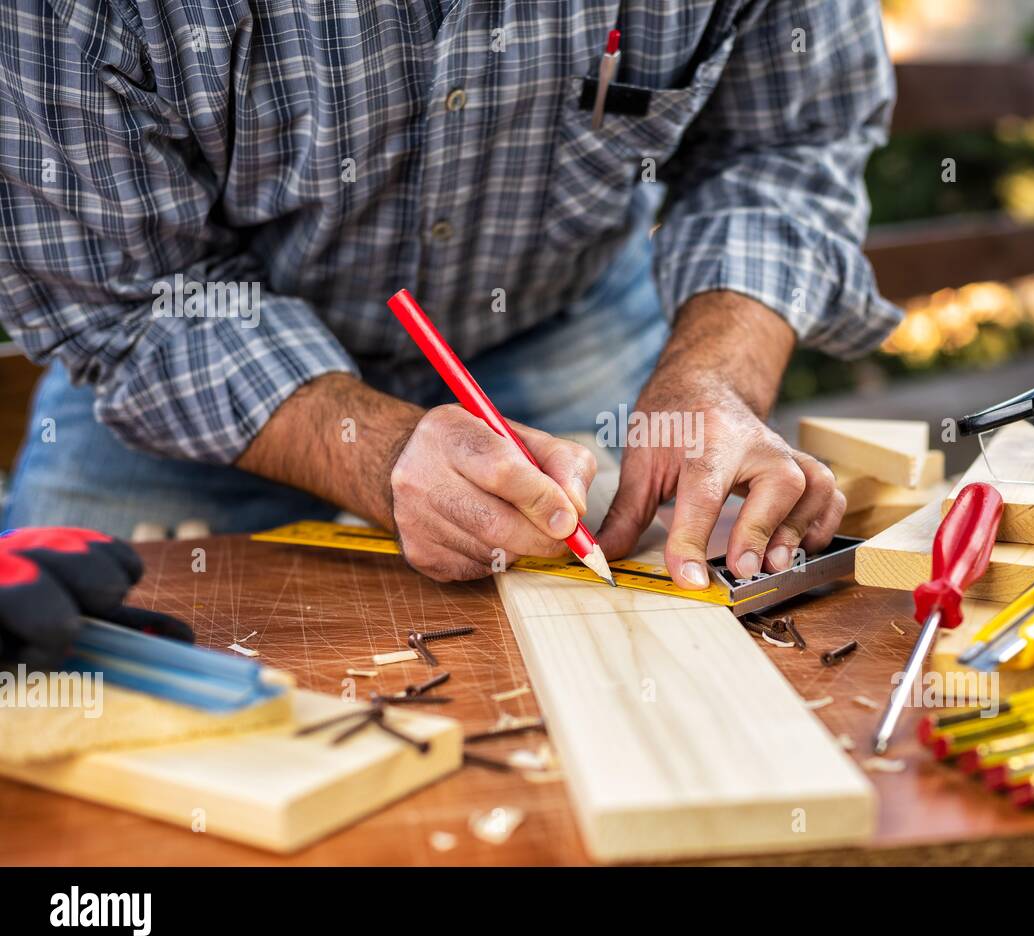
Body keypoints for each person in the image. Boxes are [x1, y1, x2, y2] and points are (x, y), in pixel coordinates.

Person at [0, 1, 900, 592]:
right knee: (55, 682)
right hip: (181, 371)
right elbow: (129, 297)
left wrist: (716, 379)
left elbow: (788, 143)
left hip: (562, 319)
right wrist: (376, 449)